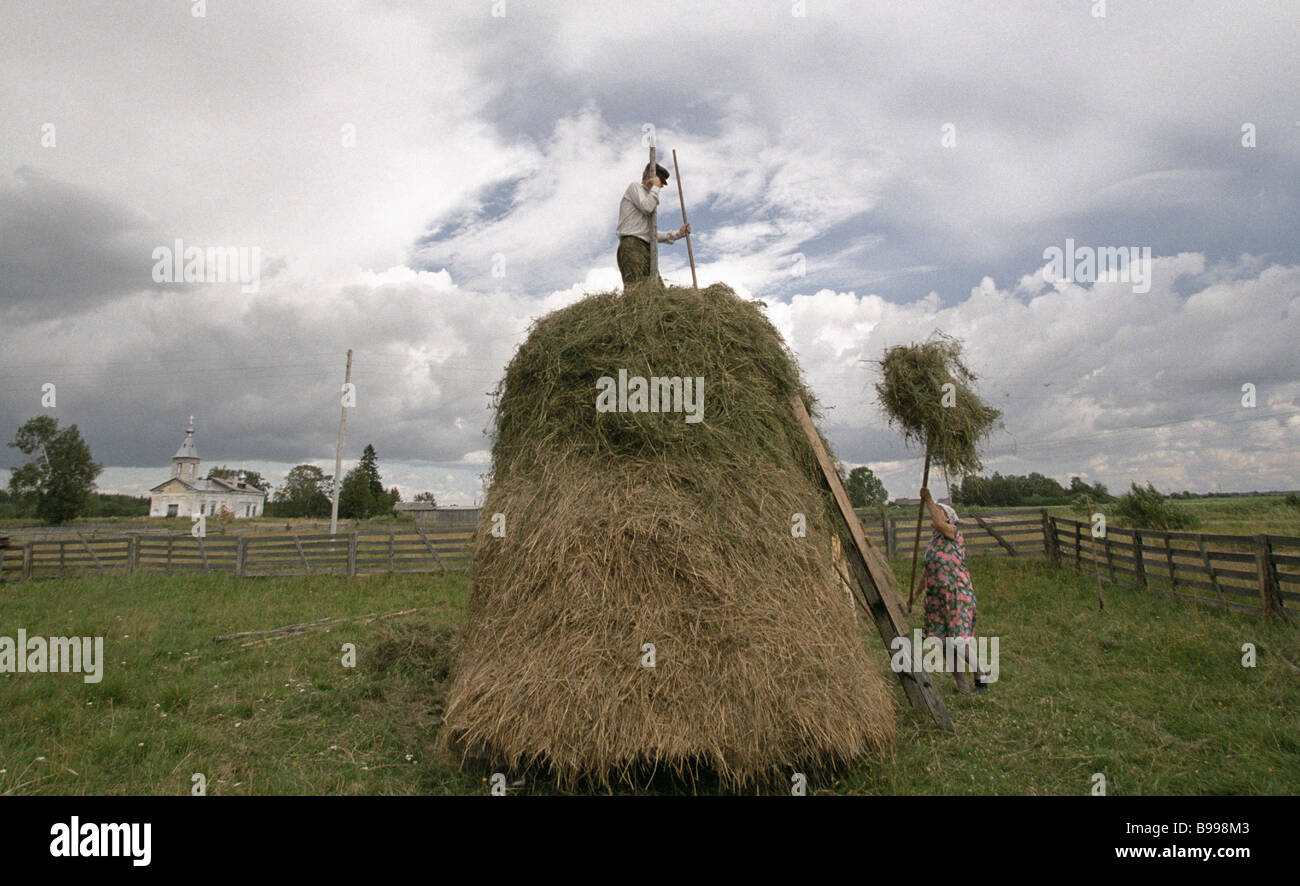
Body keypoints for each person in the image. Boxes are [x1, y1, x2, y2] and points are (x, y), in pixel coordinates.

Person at [906, 487, 990, 694]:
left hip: (956, 596)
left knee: (958, 640)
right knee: (944, 642)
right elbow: (929, 571)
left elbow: (941, 522)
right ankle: (962, 686)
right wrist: (914, 596)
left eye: (939, 511)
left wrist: (928, 500)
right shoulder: (934, 541)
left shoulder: (953, 533)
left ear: (949, 518)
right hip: (937, 598)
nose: (934, 512)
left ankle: (981, 675)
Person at [616, 162, 690, 286]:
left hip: (646, 248)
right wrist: (655, 187)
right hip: (631, 245)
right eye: (660, 181)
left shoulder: (650, 197)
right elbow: (647, 207)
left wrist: (678, 234)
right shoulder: (635, 188)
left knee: (657, 293)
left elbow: (650, 233)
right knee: (637, 292)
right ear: (649, 175)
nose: (661, 186)